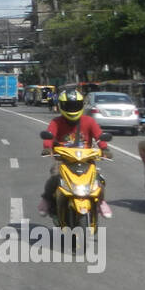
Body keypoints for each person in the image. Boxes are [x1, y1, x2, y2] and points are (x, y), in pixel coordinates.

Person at [38, 88, 111, 217]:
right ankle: (46, 199)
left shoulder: (89, 121)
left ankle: (100, 202)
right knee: (55, 176)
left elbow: (99, 136)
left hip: (86, 160)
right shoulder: (56, 122)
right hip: (63, 160)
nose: (72, 109)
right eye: (69, 106)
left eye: (75, 106)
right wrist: (47, 148)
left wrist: (105, 149)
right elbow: (49, 137)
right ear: (61, 106)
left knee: (98, 180)